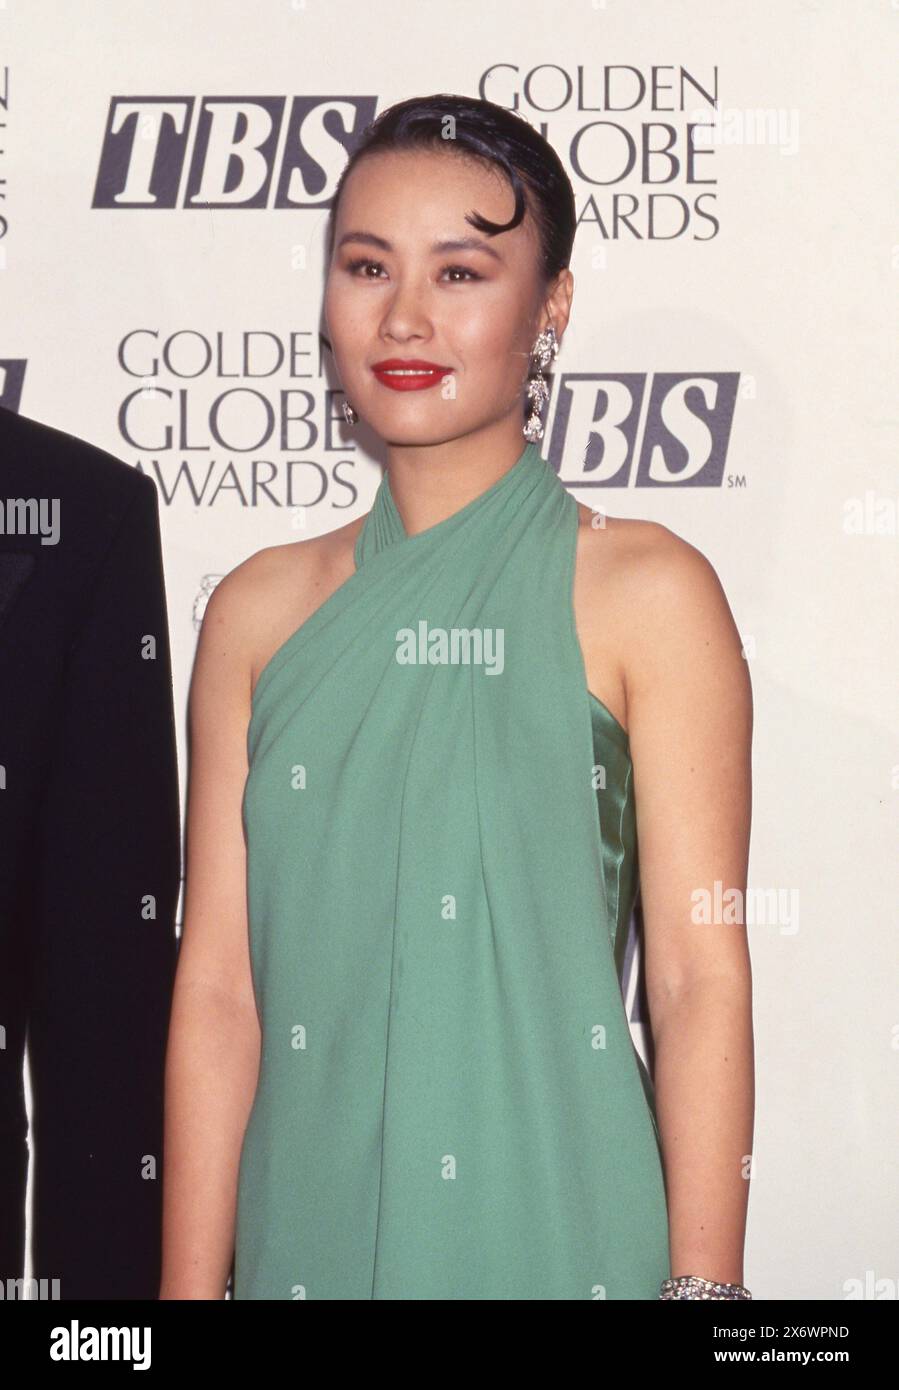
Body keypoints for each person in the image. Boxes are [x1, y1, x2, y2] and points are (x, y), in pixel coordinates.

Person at [159, 94, 754, 1301]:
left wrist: (708, 1300)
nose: (405, 317)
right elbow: (221, 991)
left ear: (551, 308)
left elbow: (696, 980)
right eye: (365, 265)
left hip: (565, 1231)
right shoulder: (256, 613)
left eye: (462, 270)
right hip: (304, 1240)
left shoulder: (647, 590)